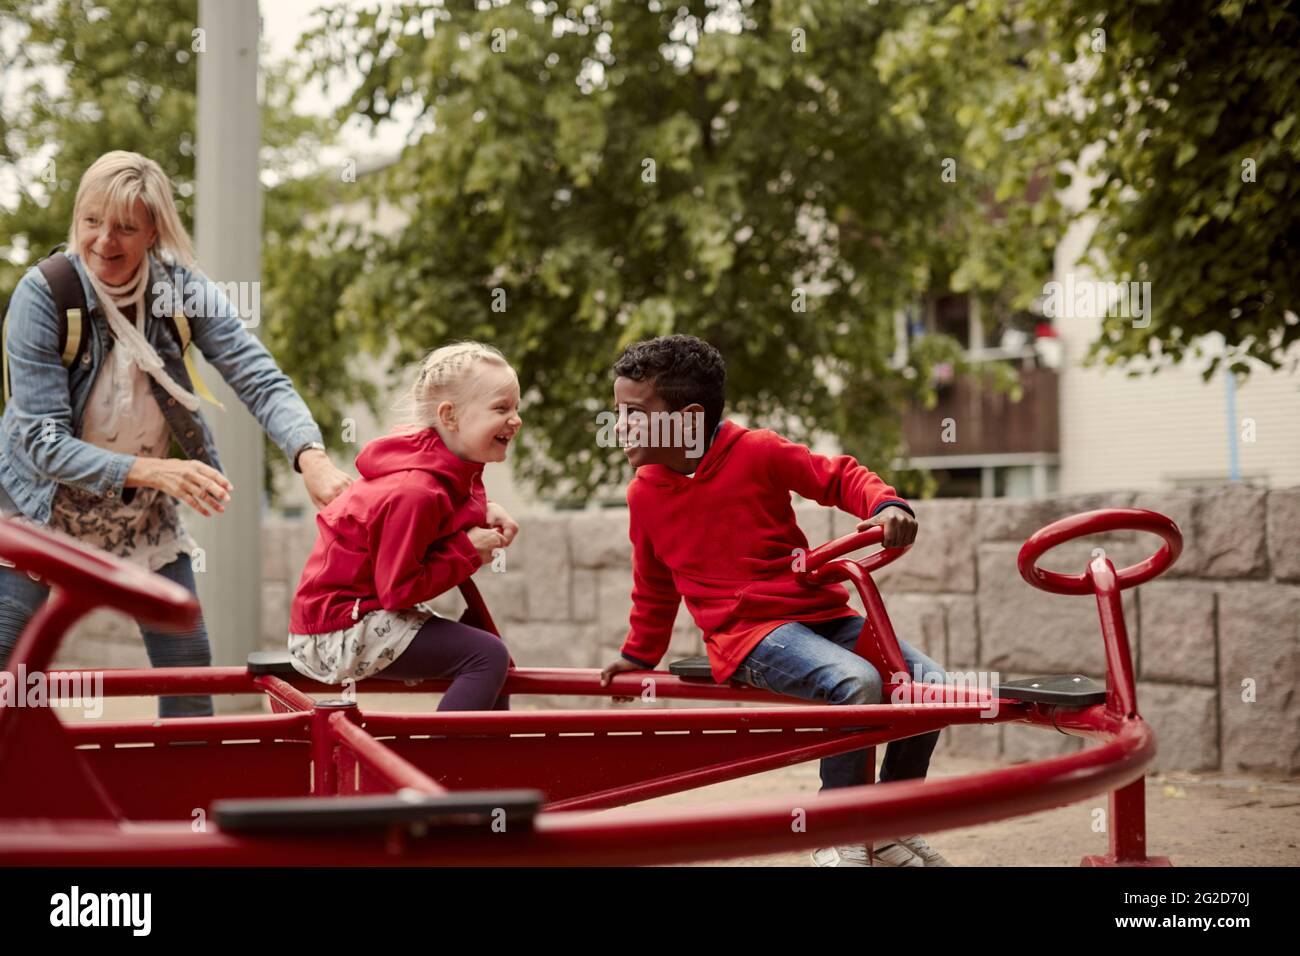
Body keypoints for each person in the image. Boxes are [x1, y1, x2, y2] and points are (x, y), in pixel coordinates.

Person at [0, 151, 352, 717]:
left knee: (189, 669)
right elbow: (40, 442)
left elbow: (259, 377)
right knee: (6, 663)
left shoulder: (181, 292)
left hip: (140, 518)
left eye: (125, 228)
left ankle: (187, 801)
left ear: (154, 231)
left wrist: (309, 454)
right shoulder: (44, 296)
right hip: (39, 513)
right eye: (91, 222)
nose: (104, 242)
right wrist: (157, 471)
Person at [598, 334, 952, 867]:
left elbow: (837, 477)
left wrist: (885, 503)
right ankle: (838, 828)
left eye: (633, 413)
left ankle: (887, 822)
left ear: (688, 418)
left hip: (818, 616)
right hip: (746, 635)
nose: (618, 427)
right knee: (857, 683)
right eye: (617, 413)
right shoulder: (644, 493)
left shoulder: (757, 452)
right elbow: (653, 584)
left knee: (931, 687)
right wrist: (639, 656)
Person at [288, 342, 521, 711]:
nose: (515, 419)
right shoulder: (416, 490)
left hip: (363, 613)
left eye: (516, 408)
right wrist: (468, 551)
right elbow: (398, 590)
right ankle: (435, 767)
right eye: (501, 408)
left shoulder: (445, 470)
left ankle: (481, 763)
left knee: (491, 657)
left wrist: (484, 511)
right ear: (450, 416)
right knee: (485, 656)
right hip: (336, 629)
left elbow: (443, 517)